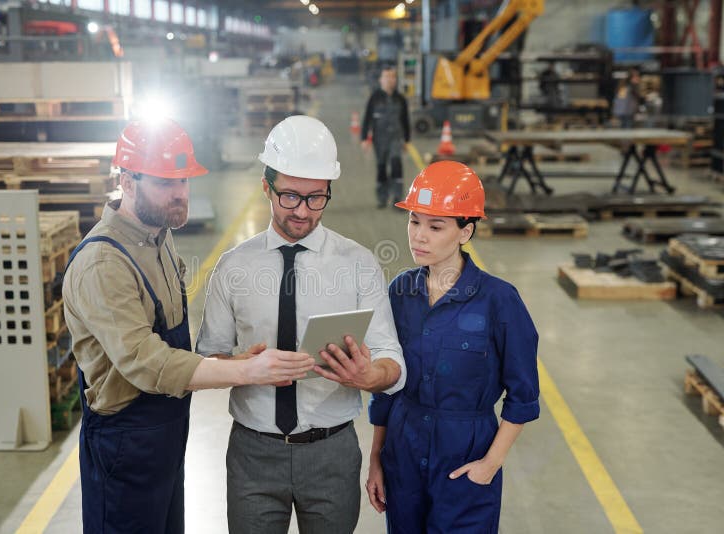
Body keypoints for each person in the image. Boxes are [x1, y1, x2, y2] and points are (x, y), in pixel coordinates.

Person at [62, 119, 316, 533]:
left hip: (163, 441)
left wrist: (230, 360)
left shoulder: (158, 238)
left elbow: (172, 343)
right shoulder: (104, 262)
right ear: (127, 181)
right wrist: (244, 372)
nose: (180, 194)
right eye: (165, 183)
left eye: (183, 181)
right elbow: (147, 362)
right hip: (124, 448)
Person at [196, 115, 407, 534]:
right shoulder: (233, 267)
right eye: (289, 196)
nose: (302, 212)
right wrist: (243, 368)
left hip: (331, 453)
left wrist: (369, 376)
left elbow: (392, 361)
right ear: (265, 186)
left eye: (316, 198)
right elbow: (207, 361)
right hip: (253, 454)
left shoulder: (359, 264)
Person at [365, 160, 540, 533]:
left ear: (466, 231)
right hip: (403, 453)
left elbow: (523, 396)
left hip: (465, 457)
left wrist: (490, 465)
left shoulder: (499, 301)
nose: (419, 236)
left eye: (435, 226)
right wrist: (377, 459)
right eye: (414, 221)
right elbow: (386, 388)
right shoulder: (401, 292)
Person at [361, 64, 411, 209]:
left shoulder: (400, 99)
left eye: (393, 77)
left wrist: (406, 140)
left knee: (396, 164)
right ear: (381, 80)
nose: (390, 80)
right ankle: (382, 198)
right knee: (381, 167)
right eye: (387, 77)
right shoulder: (375, 98)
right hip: (379, 139)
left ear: (396, 80)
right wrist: (364, 138)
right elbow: (367, 119)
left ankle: (397, 198)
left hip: (395, 138)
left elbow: (405, 120)